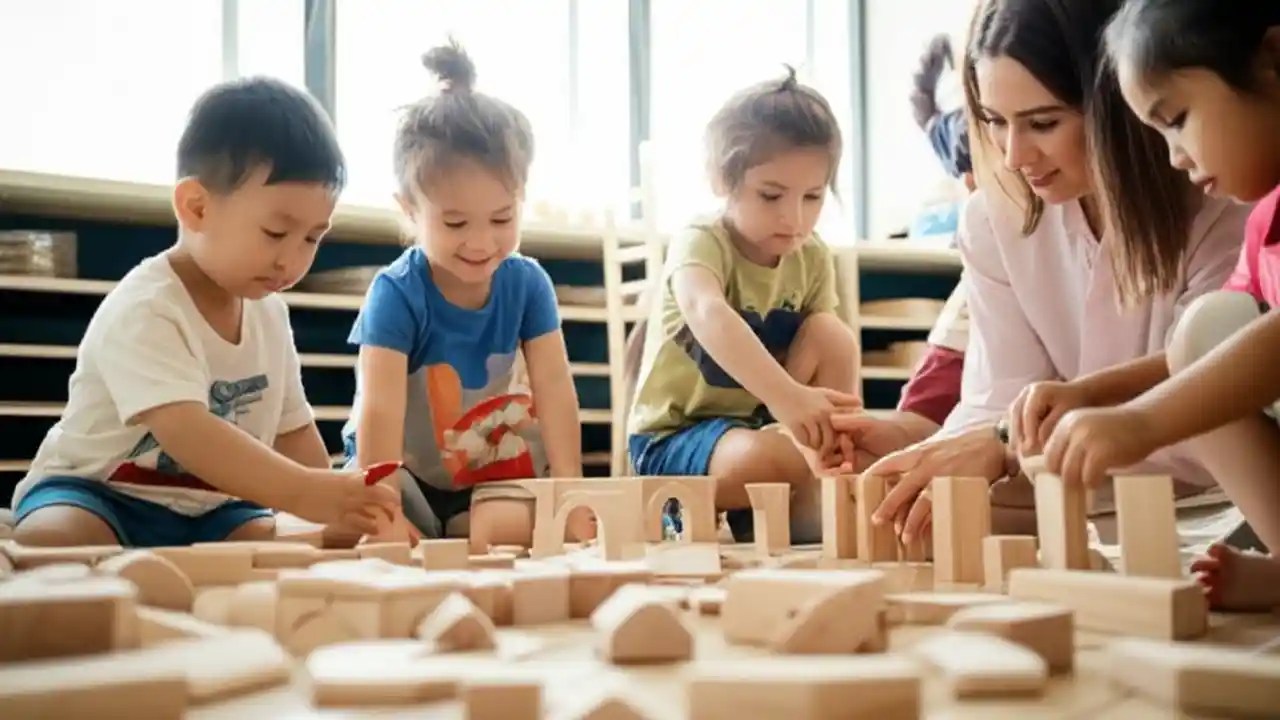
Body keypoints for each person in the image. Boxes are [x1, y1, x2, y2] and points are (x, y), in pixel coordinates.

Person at [851, 0, 1251, 546]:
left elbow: (1208, 388)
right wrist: (970, 449)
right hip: (1074, 484)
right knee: (922, 515)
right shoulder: (994, 219)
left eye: (1042, 123)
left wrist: (1011, 443)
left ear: (1117, 108)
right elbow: (999, 396)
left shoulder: (1226, 196)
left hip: (1215, 499)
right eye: (994, 121)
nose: (1014, 156)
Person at [10, 77, 399, 548]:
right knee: (57, 539)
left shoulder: (269, 315)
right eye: (276, 233)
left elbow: (293, 431)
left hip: (213, 508)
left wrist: (337, 502)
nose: (292, 260)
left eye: (313, 238)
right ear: (196, 208)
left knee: (295, 543)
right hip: (99, 493)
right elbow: (188, 433)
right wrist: (304, 492)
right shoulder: (147, 307)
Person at [1022, 0, 1280, 610]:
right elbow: (1211, 357)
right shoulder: (1265, 223)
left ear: (1273, 58)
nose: (1175, 157)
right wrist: (1092, 392)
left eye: (1179, 118)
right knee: (1208, 328)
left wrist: (1143, 423)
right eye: (1157, 133)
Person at [343, 41, 588, 553]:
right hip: (399, 472)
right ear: (410, 209)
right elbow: (378, 413)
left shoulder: (528, 284)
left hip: (487, 478)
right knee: (350, 526)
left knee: (509, 529)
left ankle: (451, 531)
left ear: (522, 199)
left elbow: (556, 392)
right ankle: (421, 525)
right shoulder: (396, 293)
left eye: (502, 219)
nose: (481, 243)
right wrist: (382, 506)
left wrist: (571, 492)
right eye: (454, 223)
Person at [627, 67, 863, 543]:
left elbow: (828, 351)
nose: (793, 218)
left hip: (756, 432)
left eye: (813, 196)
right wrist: (788, 398)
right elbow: (707, 312)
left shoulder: (812, 255)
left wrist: (821, 428)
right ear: (722, 179)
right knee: (766, 461)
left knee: (832, 333)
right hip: (674, 438)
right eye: (771, 195)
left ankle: (828, 471)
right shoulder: (702, 241)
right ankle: (800, 477)